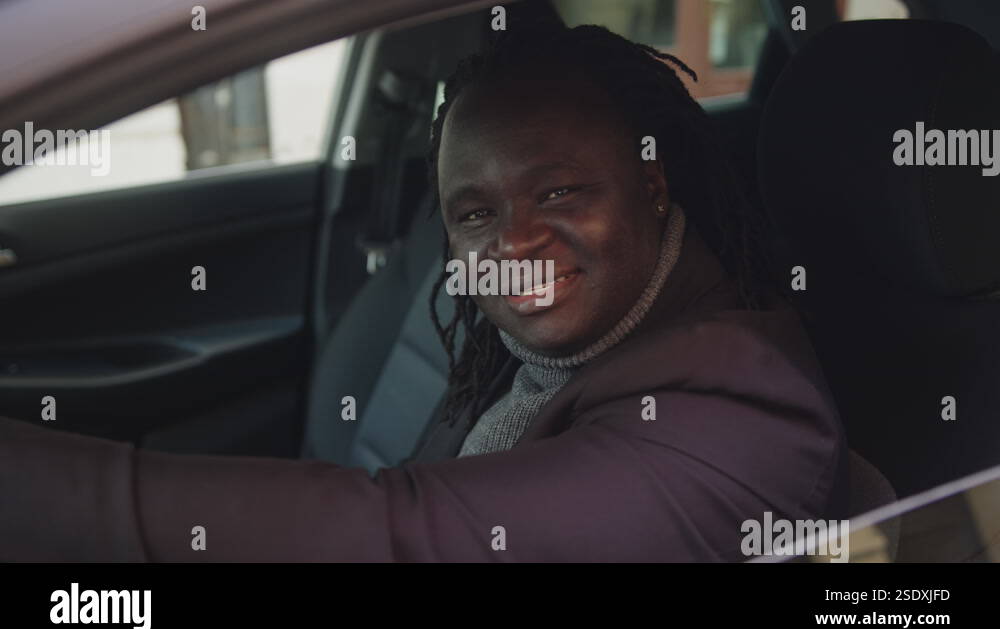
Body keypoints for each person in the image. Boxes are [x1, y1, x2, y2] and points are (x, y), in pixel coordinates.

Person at [0, 23, 849, 562]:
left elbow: (405, 531)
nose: (511, 241)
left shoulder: (743, 415)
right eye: (475, 212)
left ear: (652, 183)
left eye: (559, 193)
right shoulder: (531, 354)